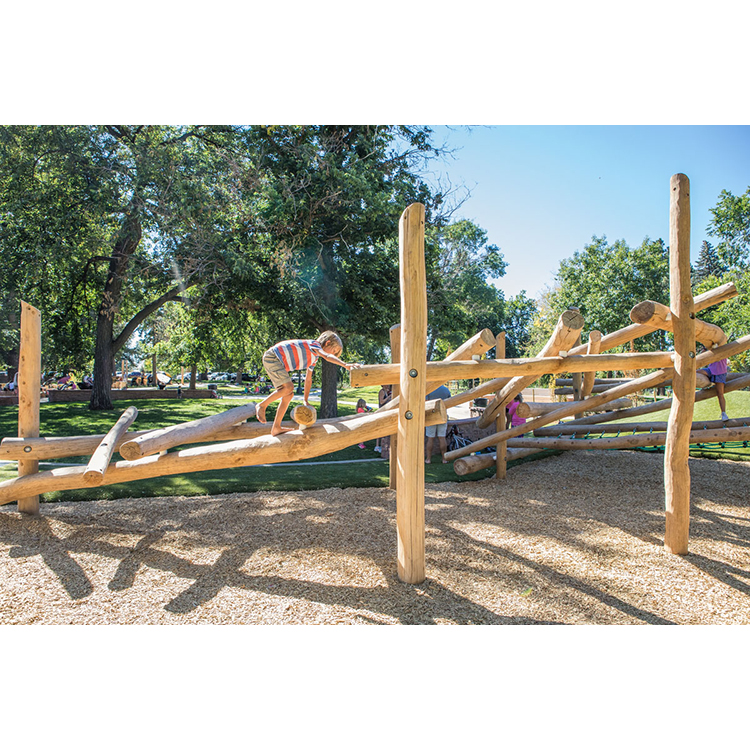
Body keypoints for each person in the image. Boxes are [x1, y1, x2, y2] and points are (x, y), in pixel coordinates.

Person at [256, 331, 360, 437]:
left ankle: (276, 427)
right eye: (333, 351)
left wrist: (305, 400)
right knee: (289, 387)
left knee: (288, 394)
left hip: (277, 362)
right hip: (273, 357)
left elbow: (308, 380)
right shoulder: (314, 344)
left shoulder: (313, 358)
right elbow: (327, 356)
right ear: (327, 343)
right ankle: (262, 405)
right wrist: (345, 365)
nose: (332, 355)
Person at [425, 384, 451, 464]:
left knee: (430, 438)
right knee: (442, 438)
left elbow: (425, 403)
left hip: (431, 417)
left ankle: (428, 459)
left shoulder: (429, 389)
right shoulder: (446, 390)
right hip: (442, 416)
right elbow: (450, 403)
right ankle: (444, 459)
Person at [699, 356, 730, 421]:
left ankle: (723, 413)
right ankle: (709, 383)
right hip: (710, 369)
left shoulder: (724, 349)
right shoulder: (712, 348)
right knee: (697, 372)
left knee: (720, 394)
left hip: (720, 372)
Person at [375, 384, 391, 453]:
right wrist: (389, 397)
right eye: (386, 384)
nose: (388, 386)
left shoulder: (386, 391)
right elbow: (382, 401)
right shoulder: (382, 392)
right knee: (379, 429)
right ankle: (377, 446)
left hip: (385, 412)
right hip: (381, 412)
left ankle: (382, 445)